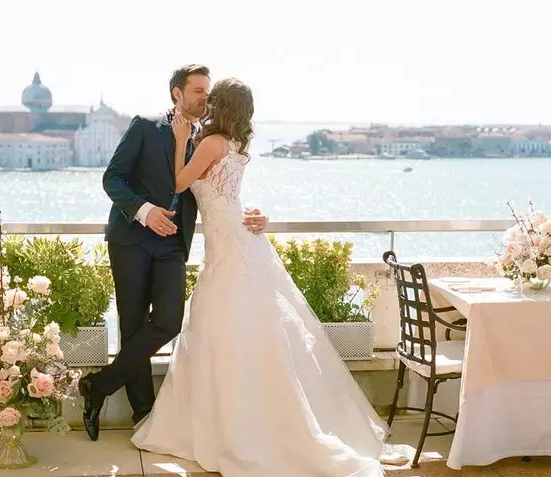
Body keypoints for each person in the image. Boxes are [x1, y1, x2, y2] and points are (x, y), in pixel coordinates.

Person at [131, 78, 397, 476]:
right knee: (250, 329)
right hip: (237, 240)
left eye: (212, 97)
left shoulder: (210, 142)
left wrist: (181, 138)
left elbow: (178, 184)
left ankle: (237, 428)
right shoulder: (237, 144)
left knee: (227, 328)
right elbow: (227, 195)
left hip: (229, 246)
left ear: (220, 105)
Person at [78, 65, 269, 441]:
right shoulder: (146, 127)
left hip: (172, 246)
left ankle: (97, 386)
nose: (205, 98)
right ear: (176, 94)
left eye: (208, 91)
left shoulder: (208, 136)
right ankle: (143, 415)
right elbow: (112, 178)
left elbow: (219, 187)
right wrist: (145, 212)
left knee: (168, 322)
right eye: (197, 91)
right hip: (131, 239)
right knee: (133, 326)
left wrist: (251, 214)